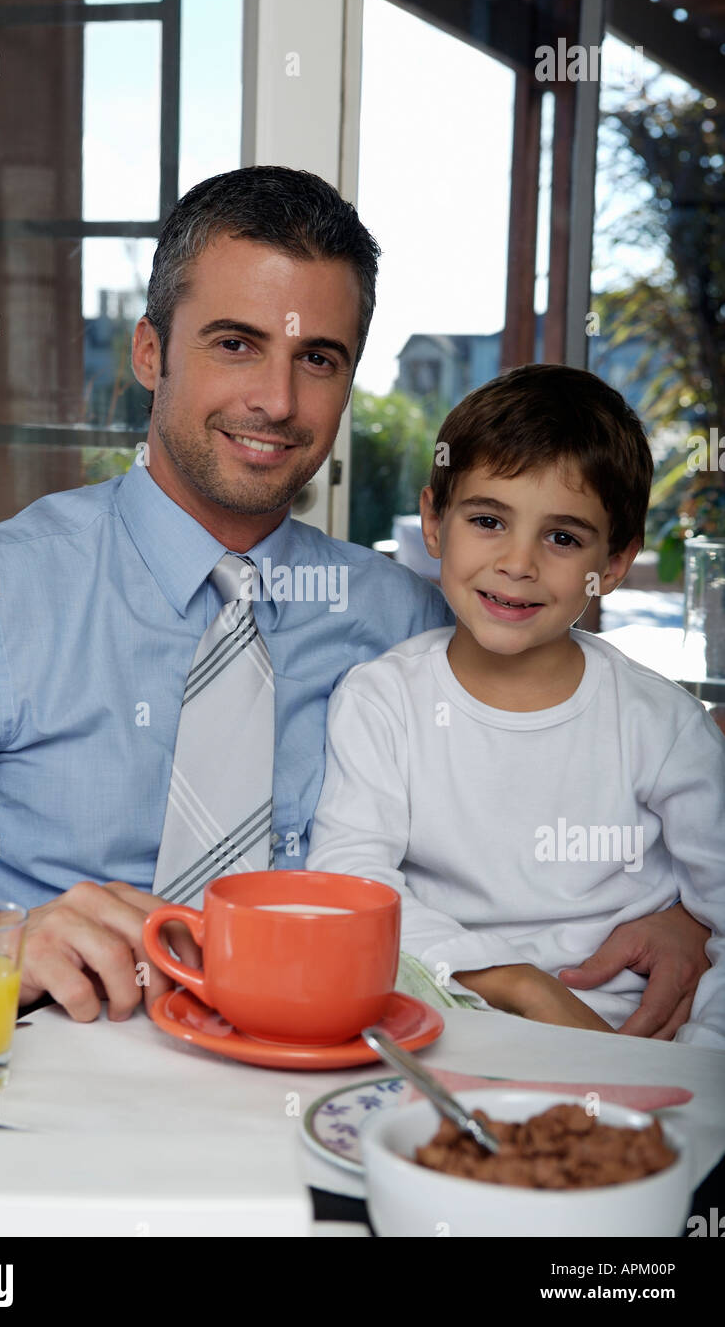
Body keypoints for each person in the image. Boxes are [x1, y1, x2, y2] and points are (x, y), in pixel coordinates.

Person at [0, 170, 711, 1032]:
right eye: (235, 343)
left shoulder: (411, 621)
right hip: (65, 1075)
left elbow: (592, 758)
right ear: (150, 352)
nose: (276, 400)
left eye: (317, 359)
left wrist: (683, 910)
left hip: (355, 1087)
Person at [307, 364, 725, 1046]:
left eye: (562, 538)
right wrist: (521, 986)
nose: (518, 563)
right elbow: (351, 882)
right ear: (434, 524)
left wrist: (698, 1065)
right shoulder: (381, 700)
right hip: (444, 1018)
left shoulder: (660, 725)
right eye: (487, 520)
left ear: (614, 563)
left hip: (632, 1041)